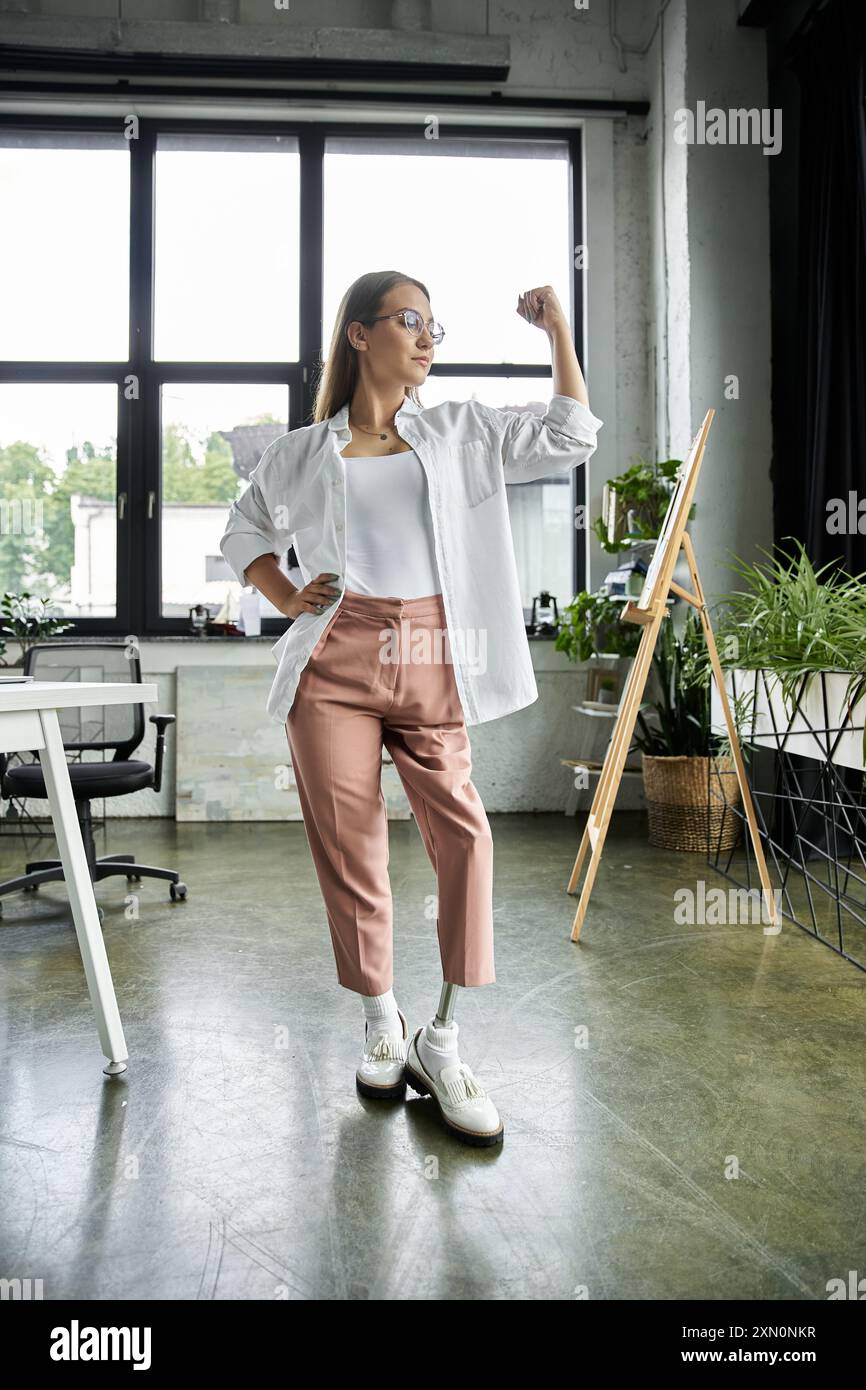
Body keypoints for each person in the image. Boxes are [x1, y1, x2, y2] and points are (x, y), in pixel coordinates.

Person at [219, 270, 603, 1147]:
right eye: (409, 321)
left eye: (435, 326)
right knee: (353, 850)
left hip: (432, 652)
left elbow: (569, 435)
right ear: (360, 335)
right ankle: (381, 1021)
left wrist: (558, 333)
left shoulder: (462, 429)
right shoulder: (304, 451)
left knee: (466, 836)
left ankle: (445, 1038)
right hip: (336, 660)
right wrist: (285, 595)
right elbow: (243, 530)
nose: (428, 339)